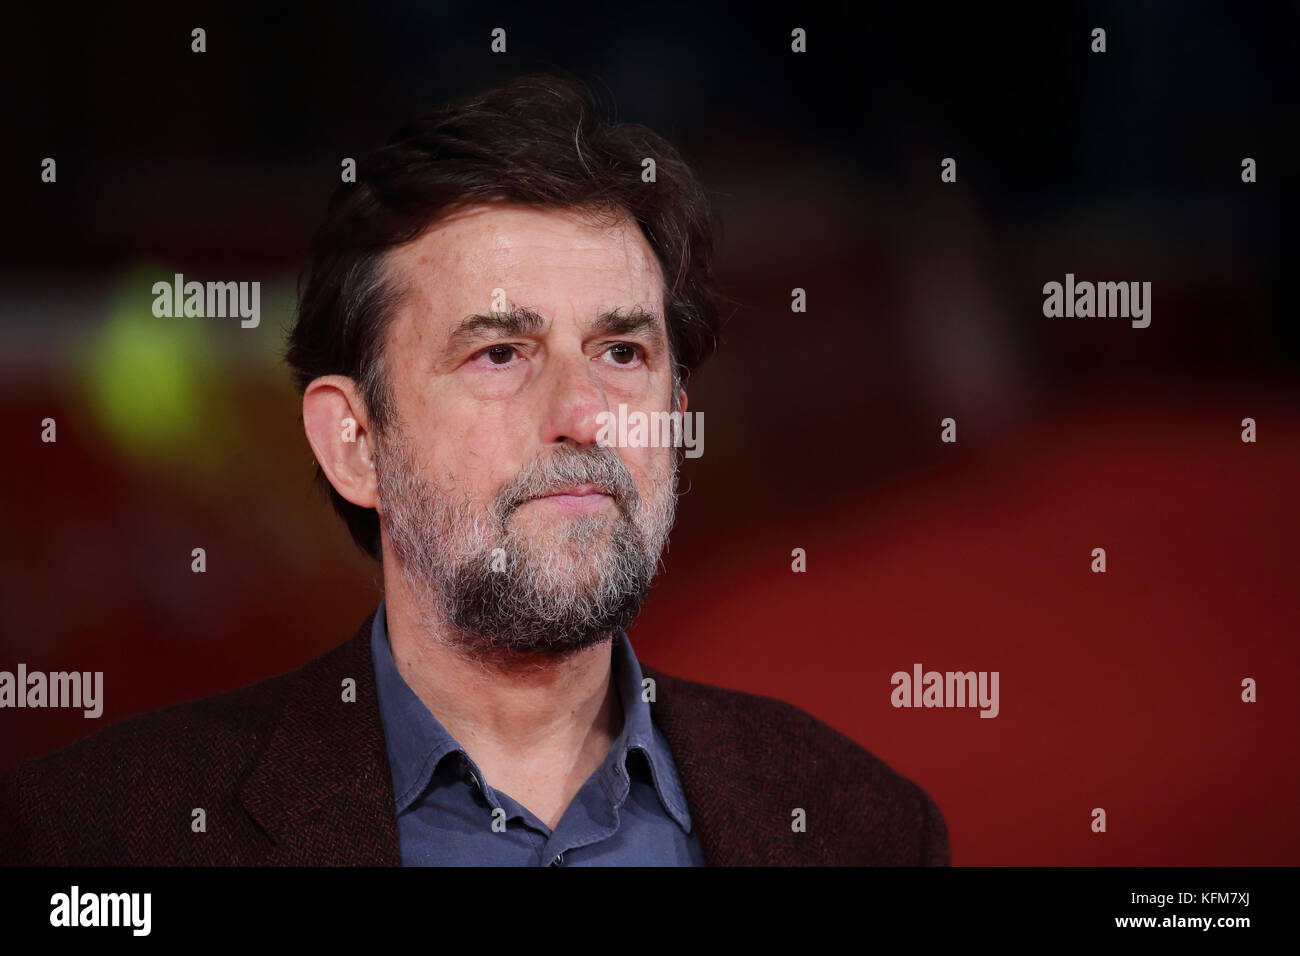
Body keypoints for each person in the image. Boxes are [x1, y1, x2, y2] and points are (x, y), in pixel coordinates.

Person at [0, 73, 948, 866]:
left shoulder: (861, 828)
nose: (582, 417)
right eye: (499, 354)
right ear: (354, 444)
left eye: (621, 352)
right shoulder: (97, 843)